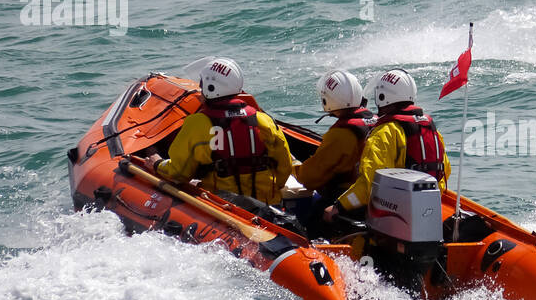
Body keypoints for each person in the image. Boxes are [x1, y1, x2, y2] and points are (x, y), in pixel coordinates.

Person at [148, 56, 292, 206]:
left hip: (222, 206)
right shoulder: (263, 120)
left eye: (202, 85)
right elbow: (285, 166)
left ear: (211, 88)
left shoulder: (198, 123)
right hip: (268, 204)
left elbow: (179, 173)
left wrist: (157, 164)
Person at [324, 69, 451, 221]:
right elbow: (445, 172)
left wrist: (339, 206)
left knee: (322, 214)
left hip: (393, 214)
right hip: (426, 209)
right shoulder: (432, 131)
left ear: (382, 96)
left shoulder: (384, 133)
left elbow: (370, 185)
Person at [285, 70, 374, 224]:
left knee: (310, 219)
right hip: (370, 195)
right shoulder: (376, 122)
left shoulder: (340, 134)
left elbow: (309, 178)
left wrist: (293, 166)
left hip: (346, 198)